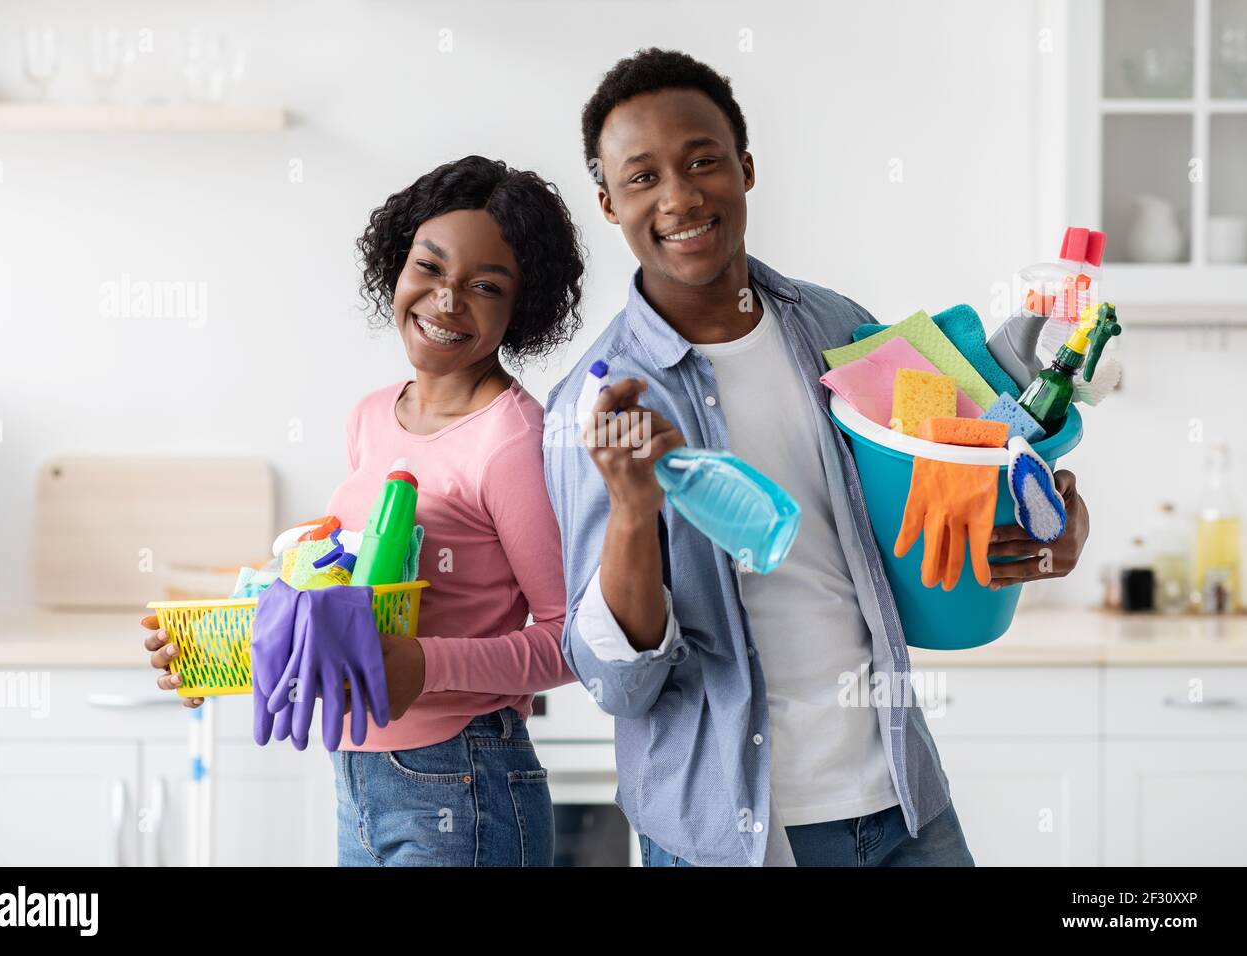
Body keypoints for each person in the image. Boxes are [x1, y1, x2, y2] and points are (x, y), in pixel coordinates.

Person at [543, 49, 1091, 867]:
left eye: (703, 161)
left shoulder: (840, 329)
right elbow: (617, 682)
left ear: (746, 168)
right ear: (608, 203)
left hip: (905, 801)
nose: (681, 197)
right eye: (643, 177)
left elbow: (966, 457)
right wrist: (631, 513)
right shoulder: (601, 404)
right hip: (732, 832)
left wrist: (1052, 522)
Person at [143, 155, 583, 866]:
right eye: (430, 269)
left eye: (484, 287)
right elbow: (347, 604)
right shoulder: (372, 416)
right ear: (397, 266)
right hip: (358, 777)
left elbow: (574, 641)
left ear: (520, 308)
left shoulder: (512, 441)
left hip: (464, 780)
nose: (446, 301)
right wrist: (220, 654)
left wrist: (424, 665)